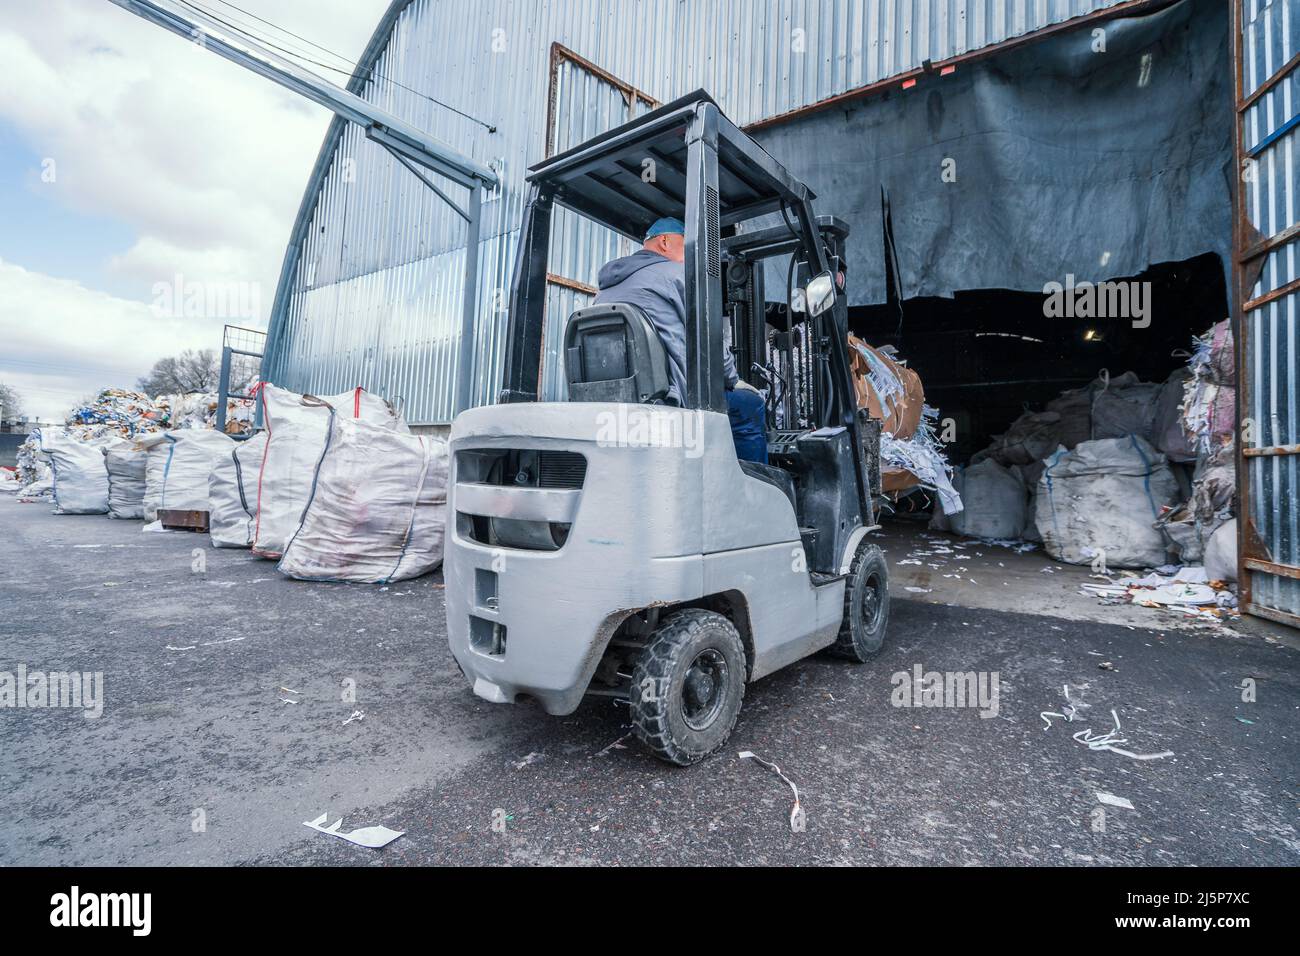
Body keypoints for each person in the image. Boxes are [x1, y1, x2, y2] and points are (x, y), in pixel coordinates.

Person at [594, 217, 768, 464]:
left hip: (615, 403)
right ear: (664, 242)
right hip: (674, 399)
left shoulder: (604, 291)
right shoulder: (677, 275)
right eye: (687, 248)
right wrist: (733, 379)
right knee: (750, 405)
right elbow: (712, 337)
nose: (690, 258)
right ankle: (753, 490)